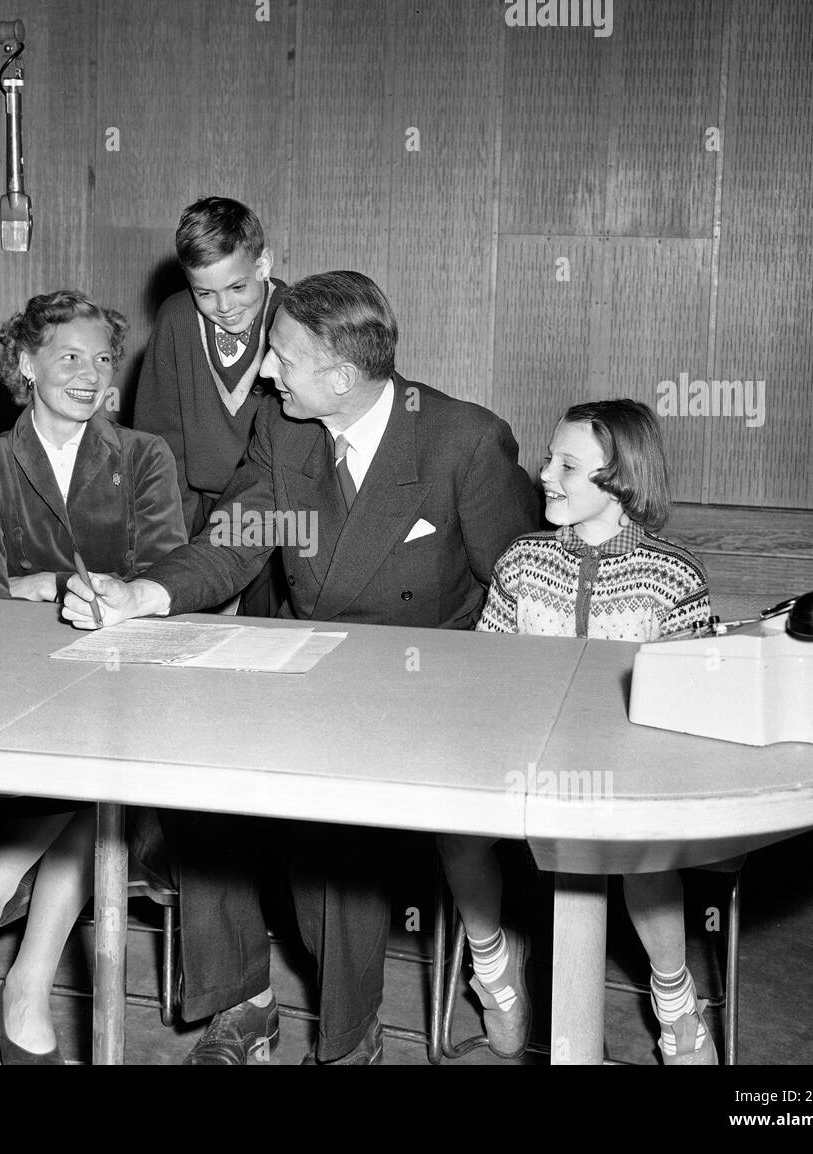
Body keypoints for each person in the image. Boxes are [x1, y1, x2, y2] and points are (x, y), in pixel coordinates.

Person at [64, 271, 539, 1064]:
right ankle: (242, 1005)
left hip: (428, 691)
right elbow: (238, 537)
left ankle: (352, 1039)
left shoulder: (464, 442)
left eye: (279, 356)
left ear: (342, 377)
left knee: (331, 832)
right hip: (306, 670)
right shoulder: (286, 433)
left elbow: (525, 588)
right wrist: (141, 594)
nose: (263, 372)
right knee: (197, 786)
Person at [0, 290, 185, 1063]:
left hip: (125, 670)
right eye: (68, 356)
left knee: (104, 767)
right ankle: (27, 988)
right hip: (17, 677)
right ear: (26, 364)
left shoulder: (145, 457)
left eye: (103, 358)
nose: (90, 373)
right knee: (97, 783)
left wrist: (77, 587)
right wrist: (23, 588)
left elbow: (163, 573)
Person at [438, 398, 716, 1065]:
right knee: (453, 826)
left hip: (631, 772)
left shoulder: (672, 577)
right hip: (526, 763)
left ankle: (674, 1002)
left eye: (567, 464)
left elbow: (692, 706)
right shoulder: (523, 560)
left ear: (621, 477)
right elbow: (490, 671)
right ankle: (495, 969)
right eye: (547, 458)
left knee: (641, 855)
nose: (544, 474)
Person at [133, 196, 286, 615]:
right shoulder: (177, 318)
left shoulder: (296, 319)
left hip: (278, 515)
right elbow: (160, 440)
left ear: (264, 264)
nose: (224, 307)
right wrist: (170, 538)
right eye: (205, 292)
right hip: (194, 514)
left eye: (237, 287)